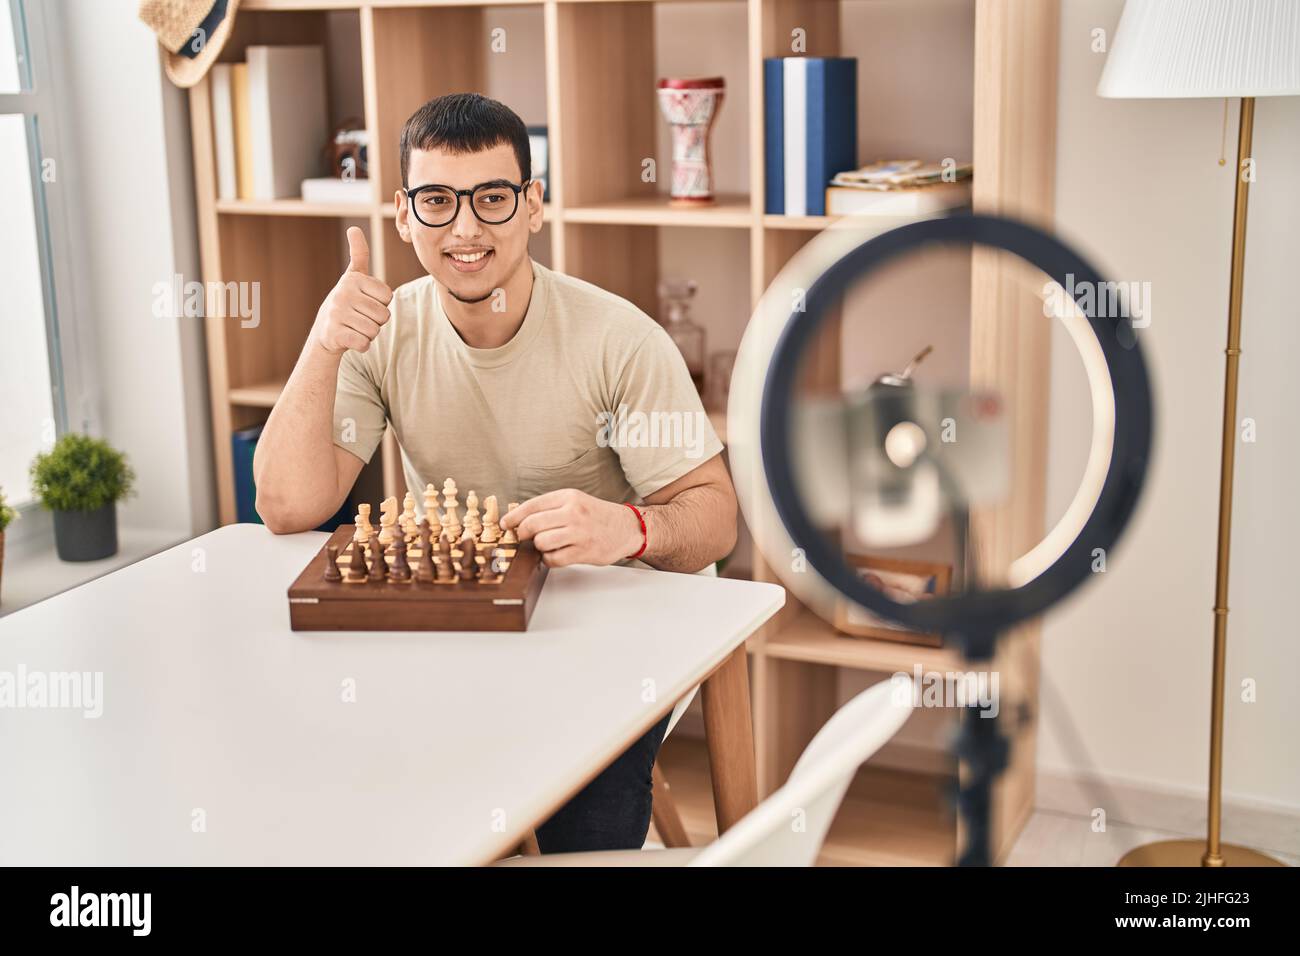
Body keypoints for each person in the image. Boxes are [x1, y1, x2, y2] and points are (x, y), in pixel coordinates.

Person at [252, 92, 738, 853]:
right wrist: (321, 345)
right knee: (345, 768)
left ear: (534, 205)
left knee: (585, 809)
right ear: (404, 214)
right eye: (438, 202)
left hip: (611, 632)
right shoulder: (382, 331)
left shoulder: (618, 340)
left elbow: (715, 518)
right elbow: (285, 506)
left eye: (493, 198)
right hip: (457, 625)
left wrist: (628, 526)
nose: (466, 229)